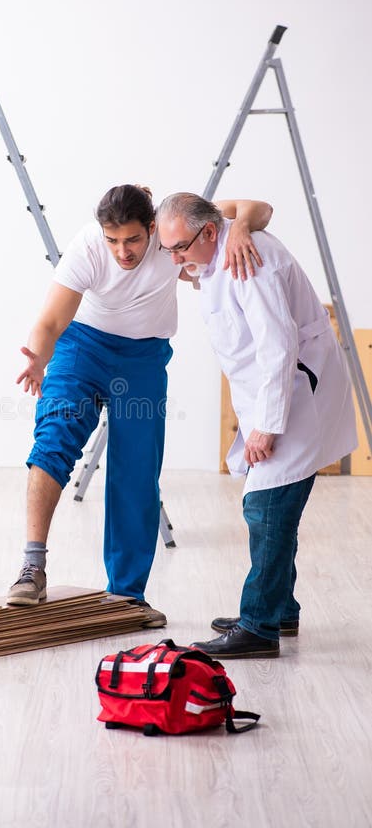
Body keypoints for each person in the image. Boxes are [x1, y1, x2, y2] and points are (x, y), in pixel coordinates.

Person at [6, 184, 272, 628]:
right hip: (82, 346)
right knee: (53, 439)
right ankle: (32, 567)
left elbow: (258, 207)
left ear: (152, 229)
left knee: (136, 470)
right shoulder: (89, 246)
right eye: (113, 241)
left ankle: (126, 596)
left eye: (132, 240)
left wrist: (239, 226)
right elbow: (52, 320)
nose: (122, 252)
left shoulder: (172, 230)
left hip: (143, 357)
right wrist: (38, 358)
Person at [156, 192, 357, 655]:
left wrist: (265, 427)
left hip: (296, 394)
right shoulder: (215, 244)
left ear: (209, 232)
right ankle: (280, 608)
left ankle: (259, 626)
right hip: (279, 390)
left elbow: (278, 346)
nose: (174, 260)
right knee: (274, 510)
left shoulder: (247, 260)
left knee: (268, 510)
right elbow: (234, 209)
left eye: (179, 248)